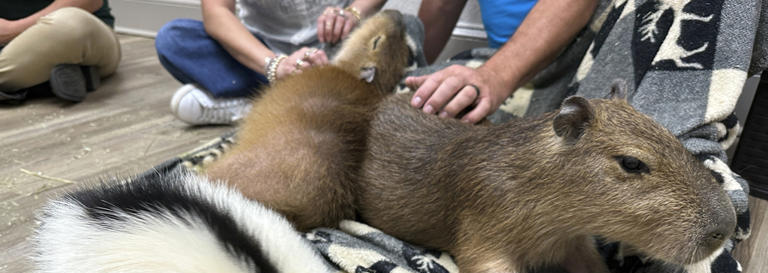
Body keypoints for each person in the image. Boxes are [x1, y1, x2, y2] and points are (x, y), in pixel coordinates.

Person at [155, 0, 387, 125]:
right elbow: (217, 12)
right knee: (173, 39)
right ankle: (315, 98)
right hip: (262, 53)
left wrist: (352, 13)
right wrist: (275, 66)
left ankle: (259, 104)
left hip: (339, 47)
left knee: (401, 29)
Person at [407, 0, 599, 123]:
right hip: (499, 62)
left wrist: (496, 76)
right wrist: (411, 73)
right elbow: (442, 6)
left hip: (585, 56)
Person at [0, 0, 121, 103]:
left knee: (71, 24)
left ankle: (29, 84)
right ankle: (42, 84)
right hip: (11, 50)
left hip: (75, 36)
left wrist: (13, 30)